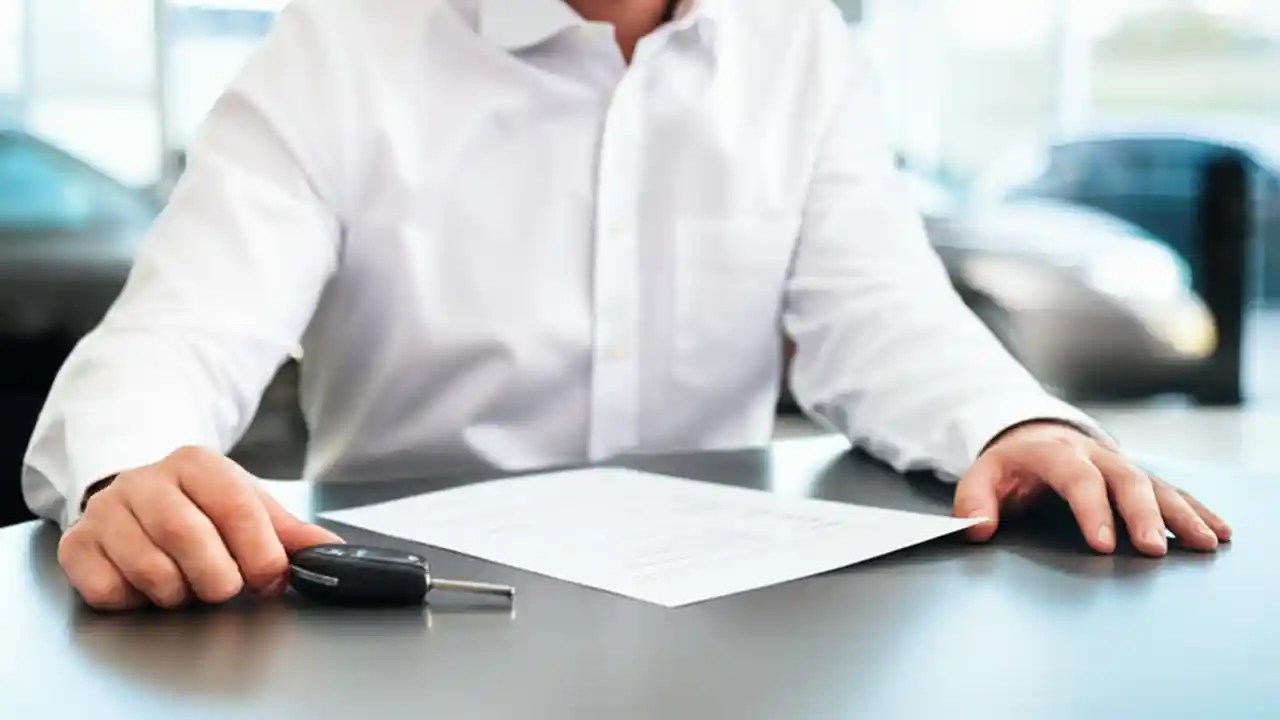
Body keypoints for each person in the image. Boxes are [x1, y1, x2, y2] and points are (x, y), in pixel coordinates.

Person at [24, 0, 1230, 612]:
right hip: (417, 628)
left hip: (737, 624)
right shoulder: (341, 45)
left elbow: (878, 310)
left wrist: (1007, 424)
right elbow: (173, 336)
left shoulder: (792, 39)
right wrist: (134, 470)